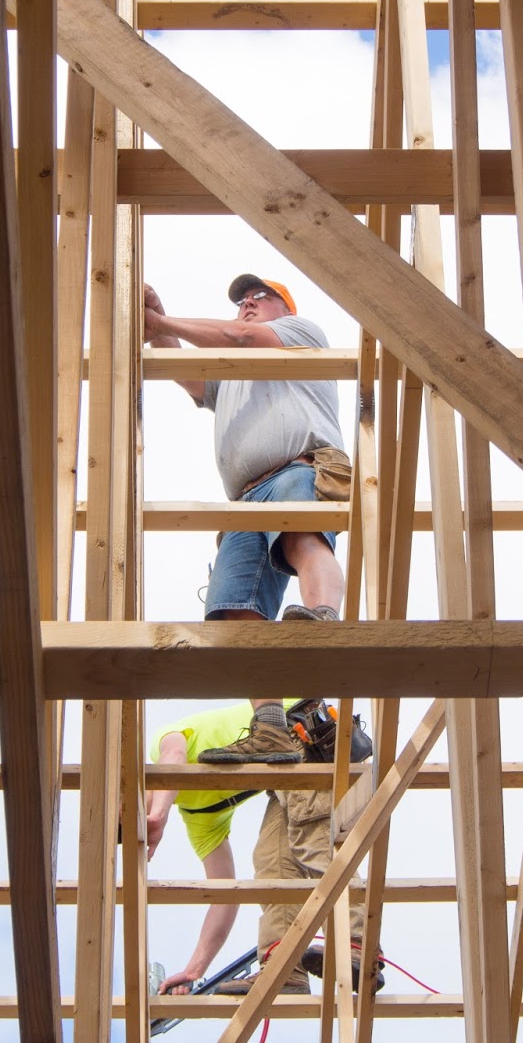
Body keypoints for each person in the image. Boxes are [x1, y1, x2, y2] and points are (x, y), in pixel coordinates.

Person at [143, 274, 347, 764]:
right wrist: (155, 327)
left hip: (301, 463)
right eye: (240, 301)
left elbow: (240, 338)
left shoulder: (301, 334)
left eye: (261, 297)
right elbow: (189, 373)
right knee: (236, 609)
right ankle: (271, 726)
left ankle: (320, 621)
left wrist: (162, 319)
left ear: (286, 309)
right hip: (244, 499)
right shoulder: (230, 374)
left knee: (301, 540)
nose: (248, 304)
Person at [146, 701, 378, 997]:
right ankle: (283, 968)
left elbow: (174, 757)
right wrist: (195, 970)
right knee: (272, 864)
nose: (145, 814)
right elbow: (225, 897)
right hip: (285, 770)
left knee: (314, 843)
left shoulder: (162, 742)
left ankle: (356, 942)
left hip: (301, 732)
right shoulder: (197, 815)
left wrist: (159, 815)